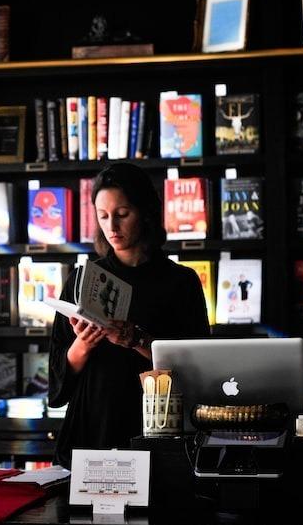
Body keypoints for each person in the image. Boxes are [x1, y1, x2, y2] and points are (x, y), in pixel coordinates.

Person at [48, 162, 210, 468]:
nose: (112, 227)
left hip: (156, 429)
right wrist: (82, 344)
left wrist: (136, 339)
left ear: (146, 211)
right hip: (91, 430)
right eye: (103, 216)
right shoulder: (82, 279)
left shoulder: (181, 282)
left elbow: (198, 371)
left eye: (122, 214)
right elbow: (56, 388)